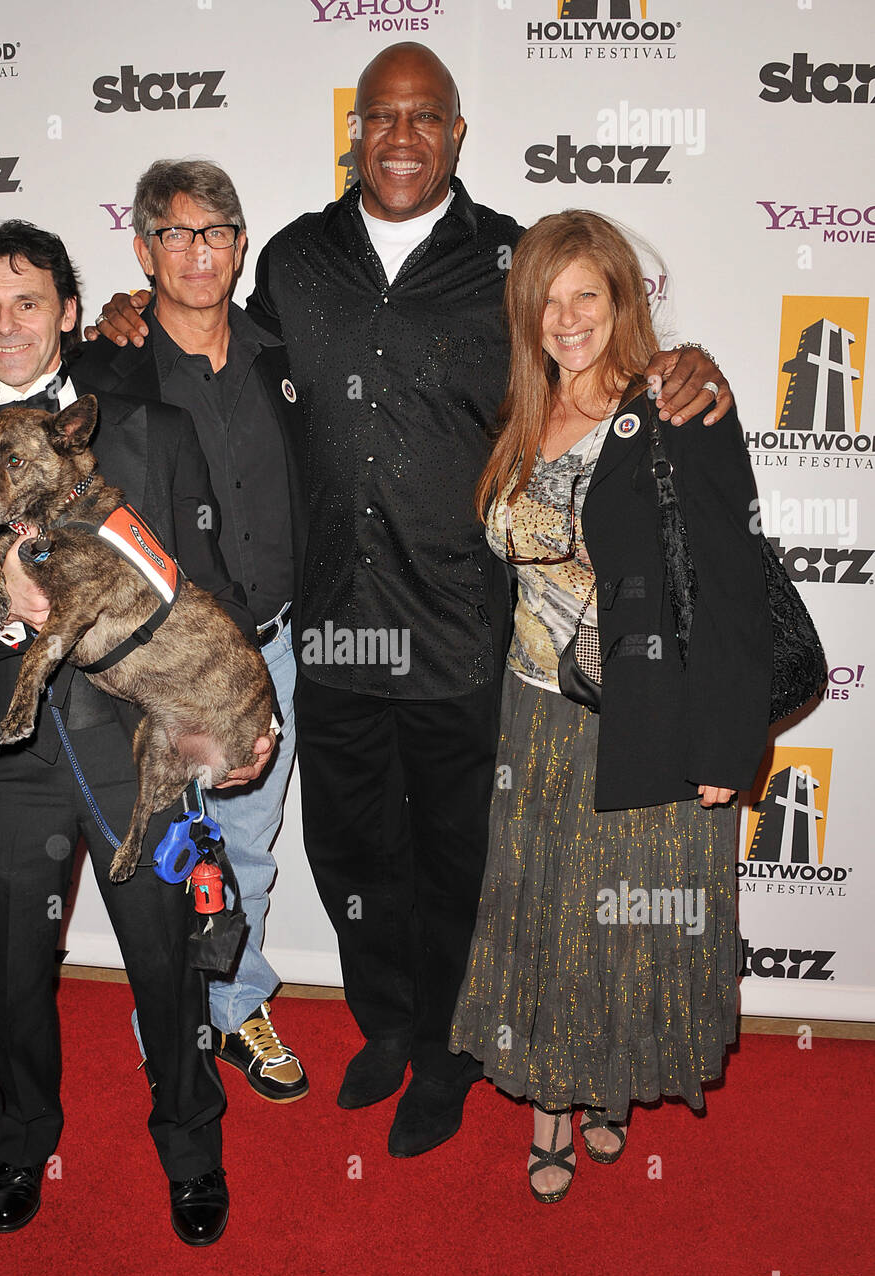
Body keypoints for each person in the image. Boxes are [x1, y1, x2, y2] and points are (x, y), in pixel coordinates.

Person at [87, 41, 734, 1158]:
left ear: (455, 133)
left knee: (456, 860)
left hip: (461, 629)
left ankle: (444, 1050)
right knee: (351, 854)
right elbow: (214, 341)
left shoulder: (510, 259)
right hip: (333, 628)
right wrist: (125, 313)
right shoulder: (293, 257)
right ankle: (385, 1024)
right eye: (381, 116)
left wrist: (686, 365)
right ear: (356, 131)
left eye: (423, 116)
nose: (400, 136)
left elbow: (590, 349)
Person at [0, 219, 273, 1244]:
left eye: (28, 302)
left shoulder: (152, 429)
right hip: (9, 759)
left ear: (68, 310)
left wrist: (249, 715)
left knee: (166, 961)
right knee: (17, 966)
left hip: (139, 746)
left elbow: (214, 588)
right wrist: (6, 611)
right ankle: (22, 1141)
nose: (6, 324)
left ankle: (191, 1148)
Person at [449, 210, 772, 1201]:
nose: (566, 317)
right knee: (544, 914)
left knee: (623, 923)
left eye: (585, 293)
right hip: (530, 714)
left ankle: (607, 1085)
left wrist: (724, 748)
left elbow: (729, 588)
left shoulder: (673, 408)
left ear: (621, 299)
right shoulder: (521, 411)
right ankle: (550, 1099)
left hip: (641, 722)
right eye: (546, 300)